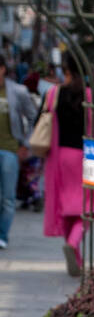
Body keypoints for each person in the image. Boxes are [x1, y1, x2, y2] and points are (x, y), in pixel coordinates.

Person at [42, 52, 94, 276]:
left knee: (67, 209)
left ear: (65, 70)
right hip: (84, 156)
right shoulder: (89, 95)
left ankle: (75, 257)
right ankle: (73, 242)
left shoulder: (53, 94)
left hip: (59, 157)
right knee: (89, 207)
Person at [0, 55, 36, 252]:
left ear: (3, 69)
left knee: (7, 196)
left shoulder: (17, 91)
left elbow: (33, 117)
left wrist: (26, 144)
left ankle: (2, 235)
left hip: (9, 150)